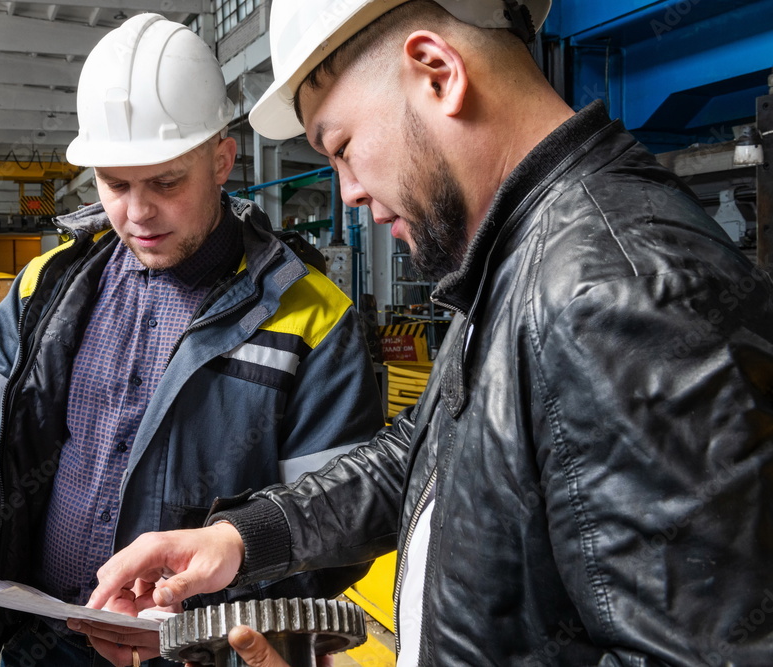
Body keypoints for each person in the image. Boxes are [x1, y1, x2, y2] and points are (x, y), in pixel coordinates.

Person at [87, 0, 773, 665]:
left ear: (437, 72)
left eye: (344, 146)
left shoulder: (618, 292)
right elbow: (428, 450)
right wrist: (243, 536)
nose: (347, 190)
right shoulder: (524, 260)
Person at [0, 13, 382, 667]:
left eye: (166, 182)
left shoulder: (311, 315)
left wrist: (186, 620)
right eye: (116, 184)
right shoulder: (51, 284)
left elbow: (337, 526)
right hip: (42, 640)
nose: (137, 213)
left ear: (222, 158)